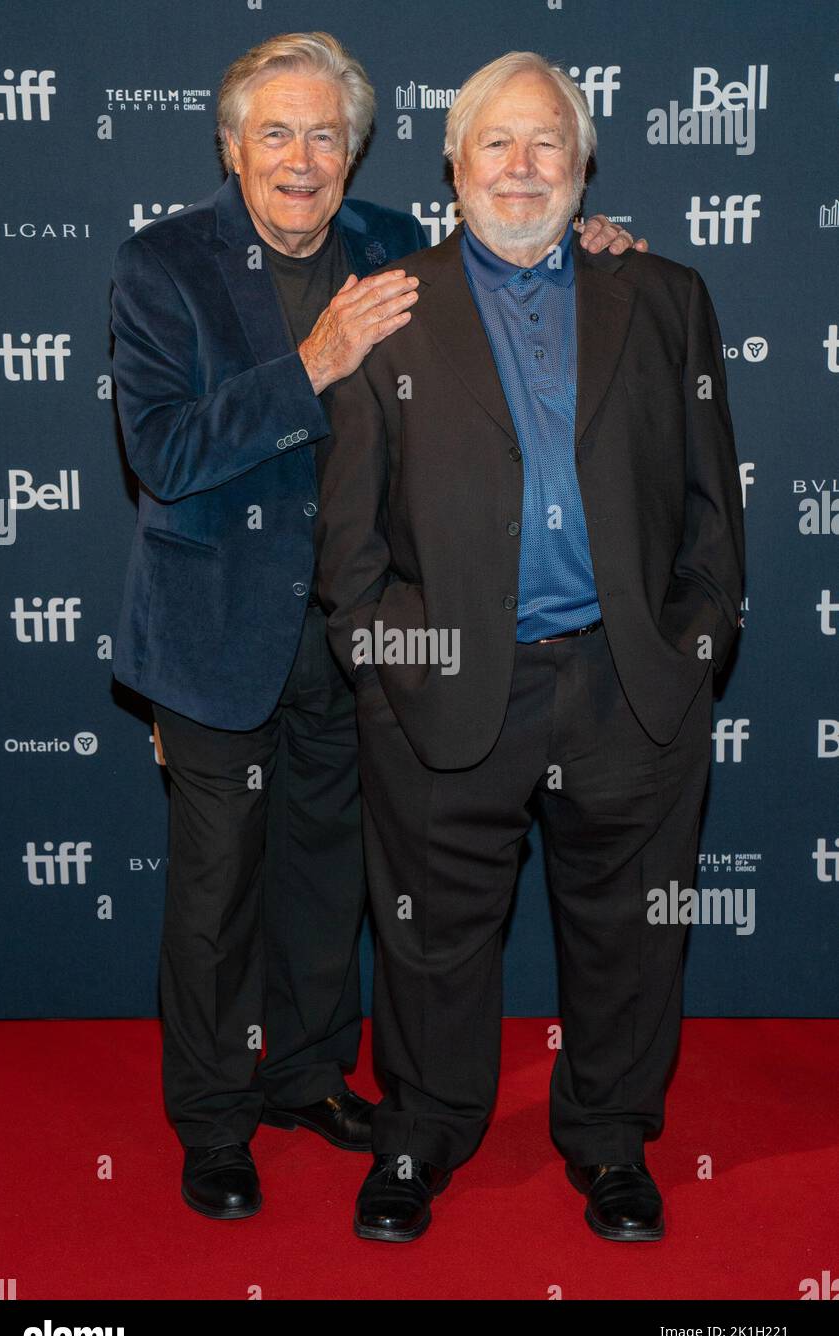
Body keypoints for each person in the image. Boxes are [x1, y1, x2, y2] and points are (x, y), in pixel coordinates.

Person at [110, 31, 647, 1221]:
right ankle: (213, 1119)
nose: (300, 159)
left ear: (353, 153)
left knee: (326, 882)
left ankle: (304, 1075)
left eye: (324, 136)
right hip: (211, 632)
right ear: (231, 145)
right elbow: (162, 451)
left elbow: (515, 258)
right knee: (212, 897)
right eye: (275, 133)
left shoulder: (391, 243)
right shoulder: (162, 266)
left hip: (357, 637)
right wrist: (310, 363)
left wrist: (592, 245)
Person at [316, 51, 744, 1244]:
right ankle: (421, 1130)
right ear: (452, 167)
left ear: (581, 163)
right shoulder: (381, 308)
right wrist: (385, 658)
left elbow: (714, 501)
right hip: (448, 684)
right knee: (427, 935)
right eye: (493, 144)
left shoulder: (661, 297)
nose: (519, 167)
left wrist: (693, 641)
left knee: (628, 931)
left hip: (629, 684)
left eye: (544, 143)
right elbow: (345, 538)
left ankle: (610, 1140)